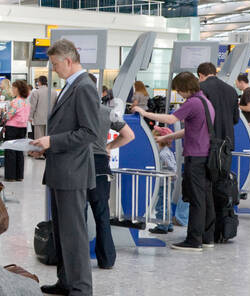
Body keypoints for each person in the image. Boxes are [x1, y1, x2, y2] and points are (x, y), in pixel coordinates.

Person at [30, 41, 98, 296]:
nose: (54, 69)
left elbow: (90, 133)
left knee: (74, 234)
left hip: (73, 172)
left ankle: (82, 292)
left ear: (68, 60)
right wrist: (44, 147)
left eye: (56, 64)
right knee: (61, 232)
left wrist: (52, 142)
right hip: (61, 169)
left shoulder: (83, 88)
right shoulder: (71, 86)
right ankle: (66, 280)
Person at [136, 72, 214, 251]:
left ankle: (194, 240)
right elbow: (191, 131)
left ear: (186, 88)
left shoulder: (193, 102)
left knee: (195, 200)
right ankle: (206, 237)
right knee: (205, 198)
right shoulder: (206, 102)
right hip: (206, 155)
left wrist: (145, 113)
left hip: (195, 157)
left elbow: (171, 119)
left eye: (179, 90)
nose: (179, 94)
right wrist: (169, 136)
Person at [84, 80, 134, 269]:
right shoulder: (107, 112)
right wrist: (109, 146)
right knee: (102, 214)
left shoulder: (76, 111)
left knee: (78, 215)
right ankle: (107, 259)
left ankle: (78, 259)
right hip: (100, 166)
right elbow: (129, 135)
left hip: (80, 165)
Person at [196, 62, 239, 242]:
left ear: (200, 75)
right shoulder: (231, 90)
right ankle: (223, 230)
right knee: (222, 186)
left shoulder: (201, 89)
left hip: (207, 145)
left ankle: (208, 232)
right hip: (226, 146)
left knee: (206, 188)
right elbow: (235, 119)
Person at [30, 75, 56, 158]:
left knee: (39, 137)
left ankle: (39, 154)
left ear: (39, 82)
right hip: (50, 118)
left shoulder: (36, 92)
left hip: (39, 118)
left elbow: (33, 106)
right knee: (48, 137)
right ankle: (48, 153)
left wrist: (30, 117)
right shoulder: (53, 91)